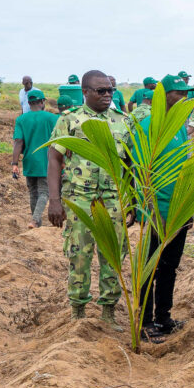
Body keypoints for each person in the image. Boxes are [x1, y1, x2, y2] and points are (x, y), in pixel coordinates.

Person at [47, 71, 129, 321]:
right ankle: (78, 311)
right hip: (79, 199)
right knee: (78, 254)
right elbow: (54, 158)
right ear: (85, 92)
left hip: (113, 200)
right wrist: (54, 201)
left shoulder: (123, 120)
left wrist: (132, 201)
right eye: (100, 91)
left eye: (110, 90)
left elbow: (130, 161)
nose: (107, 95)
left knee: (113, 255)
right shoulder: (70, 120)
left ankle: (108, 312)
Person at [133, 75, 194, 342]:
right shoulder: (148, 125)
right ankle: (145, 322)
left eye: (187, 93)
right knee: (151, 266)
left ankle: (163, 317)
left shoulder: (181, 128)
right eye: (179, 92)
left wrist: (188, 209)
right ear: (163, 95)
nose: (185, 97)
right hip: (155, 213)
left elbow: (183, 170)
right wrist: (150, 212)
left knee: (170, 267)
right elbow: (141, 172)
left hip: (177, 211)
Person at [10, 88, 57, 226]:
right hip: (46, 160)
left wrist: (14, 163)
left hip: (29, 160)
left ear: (29, 103)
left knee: (33, 192)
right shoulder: (52, 118)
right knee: (44, 191)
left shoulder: (21, 119)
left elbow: (18, 141)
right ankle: (35, 220)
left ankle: (37, 221)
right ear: (42, 102)